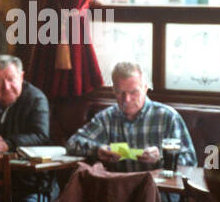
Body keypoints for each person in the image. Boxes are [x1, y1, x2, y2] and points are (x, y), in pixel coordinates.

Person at [66, 61, 196, 173]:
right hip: (119, 192)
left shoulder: (168, 117)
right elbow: (72, 144)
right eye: (120, 92)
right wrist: (98, 151)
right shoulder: (106, 118)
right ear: (113, 91)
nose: (126, 99)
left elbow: (190, 162)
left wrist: (161, 158)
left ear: (145, 88)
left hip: (160, 193)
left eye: (133, 92)